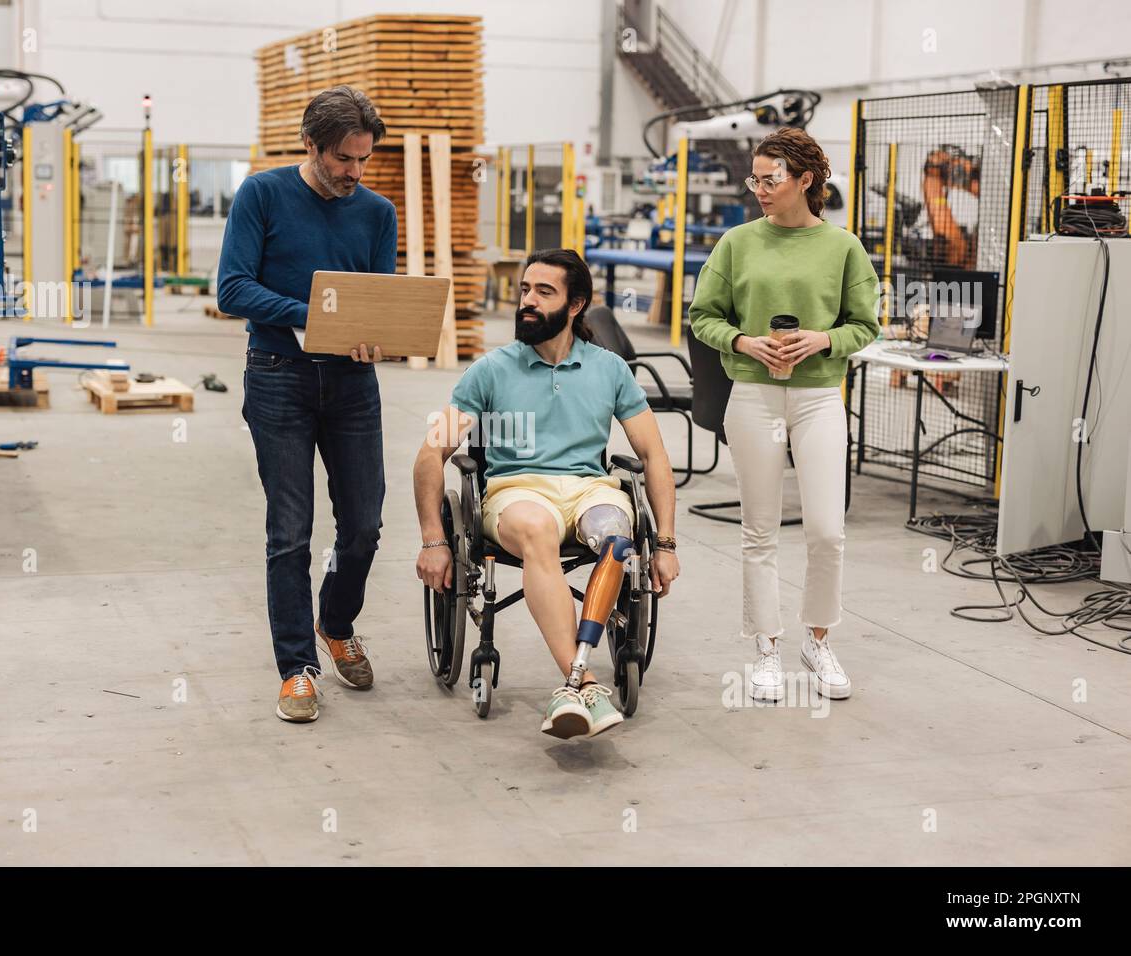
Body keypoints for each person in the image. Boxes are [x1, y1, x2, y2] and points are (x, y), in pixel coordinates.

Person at [413, 249, 681, 739]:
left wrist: (664, 544)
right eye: (525, 291)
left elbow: (654, 455)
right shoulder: (492, 369)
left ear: (575, 305)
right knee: (537, 530)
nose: (527, 302)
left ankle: (577, 684)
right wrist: (434, 539)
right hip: (517, 493)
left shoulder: (609, 369)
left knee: (617, 537)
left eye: (543, 292)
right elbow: (431, 456)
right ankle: (584, 681)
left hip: (589, 491)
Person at [217, 86, 397, 723]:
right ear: (311, 146)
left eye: (363, 160)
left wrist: (380, 333)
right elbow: (232, 287)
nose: (354, 172)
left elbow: (375, 300)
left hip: (352, 386)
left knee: (366, 526)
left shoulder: (377, 213)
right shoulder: (262, 196)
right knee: (289, 533)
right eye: (343, 159)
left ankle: (337, 621)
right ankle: (296, 667)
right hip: (279, 377)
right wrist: (317, 319)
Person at [689, 127, 879, 703]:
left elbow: (865, 325)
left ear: (806, 180)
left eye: (771, 180)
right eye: (756, 179)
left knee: (826, 530)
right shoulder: (736, 243)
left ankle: (817, 641)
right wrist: (744, 344)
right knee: (759, 530)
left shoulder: (843, 247)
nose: (760, 190)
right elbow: (703, 318)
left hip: (819, 396)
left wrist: (823, 340)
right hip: (753, 394)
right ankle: (767, 647)